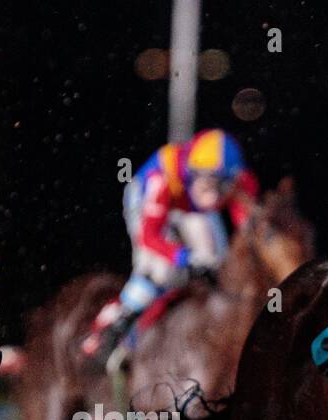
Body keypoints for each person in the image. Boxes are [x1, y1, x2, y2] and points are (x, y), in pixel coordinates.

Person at [81, 128, 259, 364]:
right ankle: (112, 324)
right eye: (209, 185)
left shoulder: (238, 179)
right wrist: (183, 257)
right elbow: (149, 236)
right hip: (147, 201)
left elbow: (247, 223)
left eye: (223, 188)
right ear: (193, 173)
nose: (215, 198)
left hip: (187, 204)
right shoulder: (161, 180)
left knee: (217, 260)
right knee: (161, 270)